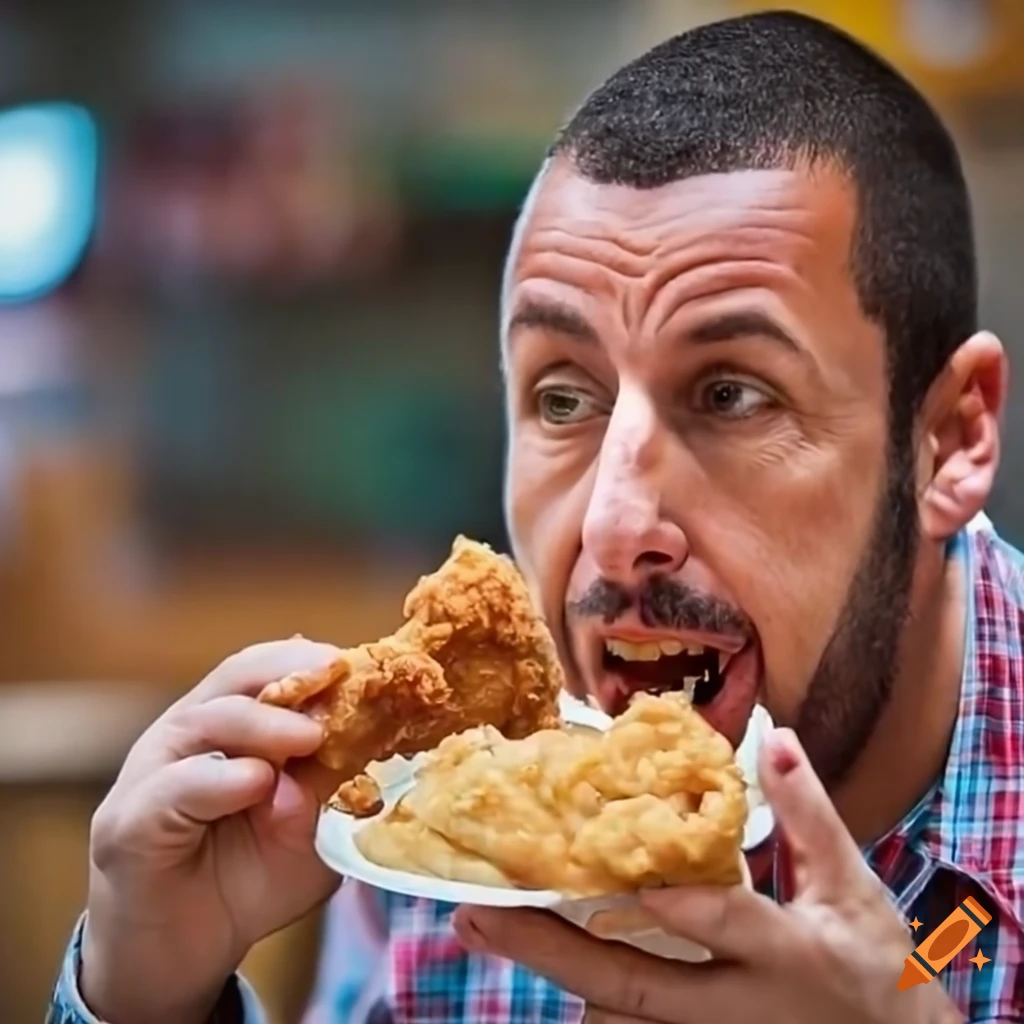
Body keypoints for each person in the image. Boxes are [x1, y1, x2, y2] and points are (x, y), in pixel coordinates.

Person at [48, 11, 1024, 1024]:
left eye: (732, 394)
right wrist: (147, 995)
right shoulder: (437, 817)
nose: (612, 529)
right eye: (562, 399)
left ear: (950, 440)